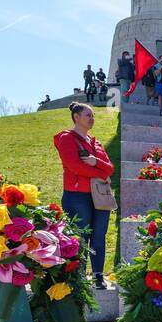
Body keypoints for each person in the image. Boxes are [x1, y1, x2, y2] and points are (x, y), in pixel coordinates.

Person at [53, 102, 115, 289]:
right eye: (88, 115)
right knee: (79, 237)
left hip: (99, 196)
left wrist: (96, 162)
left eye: (93, 115)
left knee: (99, 236)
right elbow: (74, 166)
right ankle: (77, 277)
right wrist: (100, 172)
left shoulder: (95, 142)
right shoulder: (66, 139)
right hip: (77, 196)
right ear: (76, 118)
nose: (92, 118)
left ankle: (98, 276)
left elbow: (110, 168)